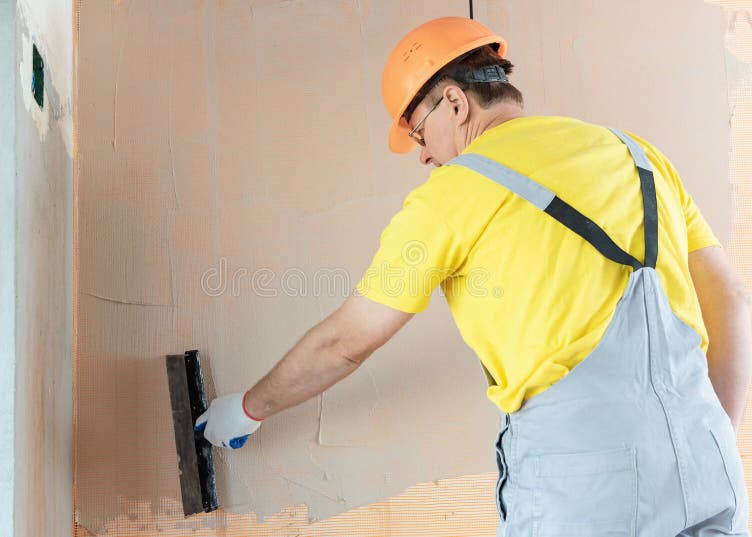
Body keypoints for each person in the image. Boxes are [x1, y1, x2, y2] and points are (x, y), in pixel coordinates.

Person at [196, 16, 752, 535]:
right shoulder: (636, 153)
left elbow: (345, 343)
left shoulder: (452, 194)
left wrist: (247, 407)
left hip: (585, 478)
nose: (422, 156)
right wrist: (710, 434)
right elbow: (727, 297)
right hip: (707, 455)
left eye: (417, 133)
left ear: (456, 103)